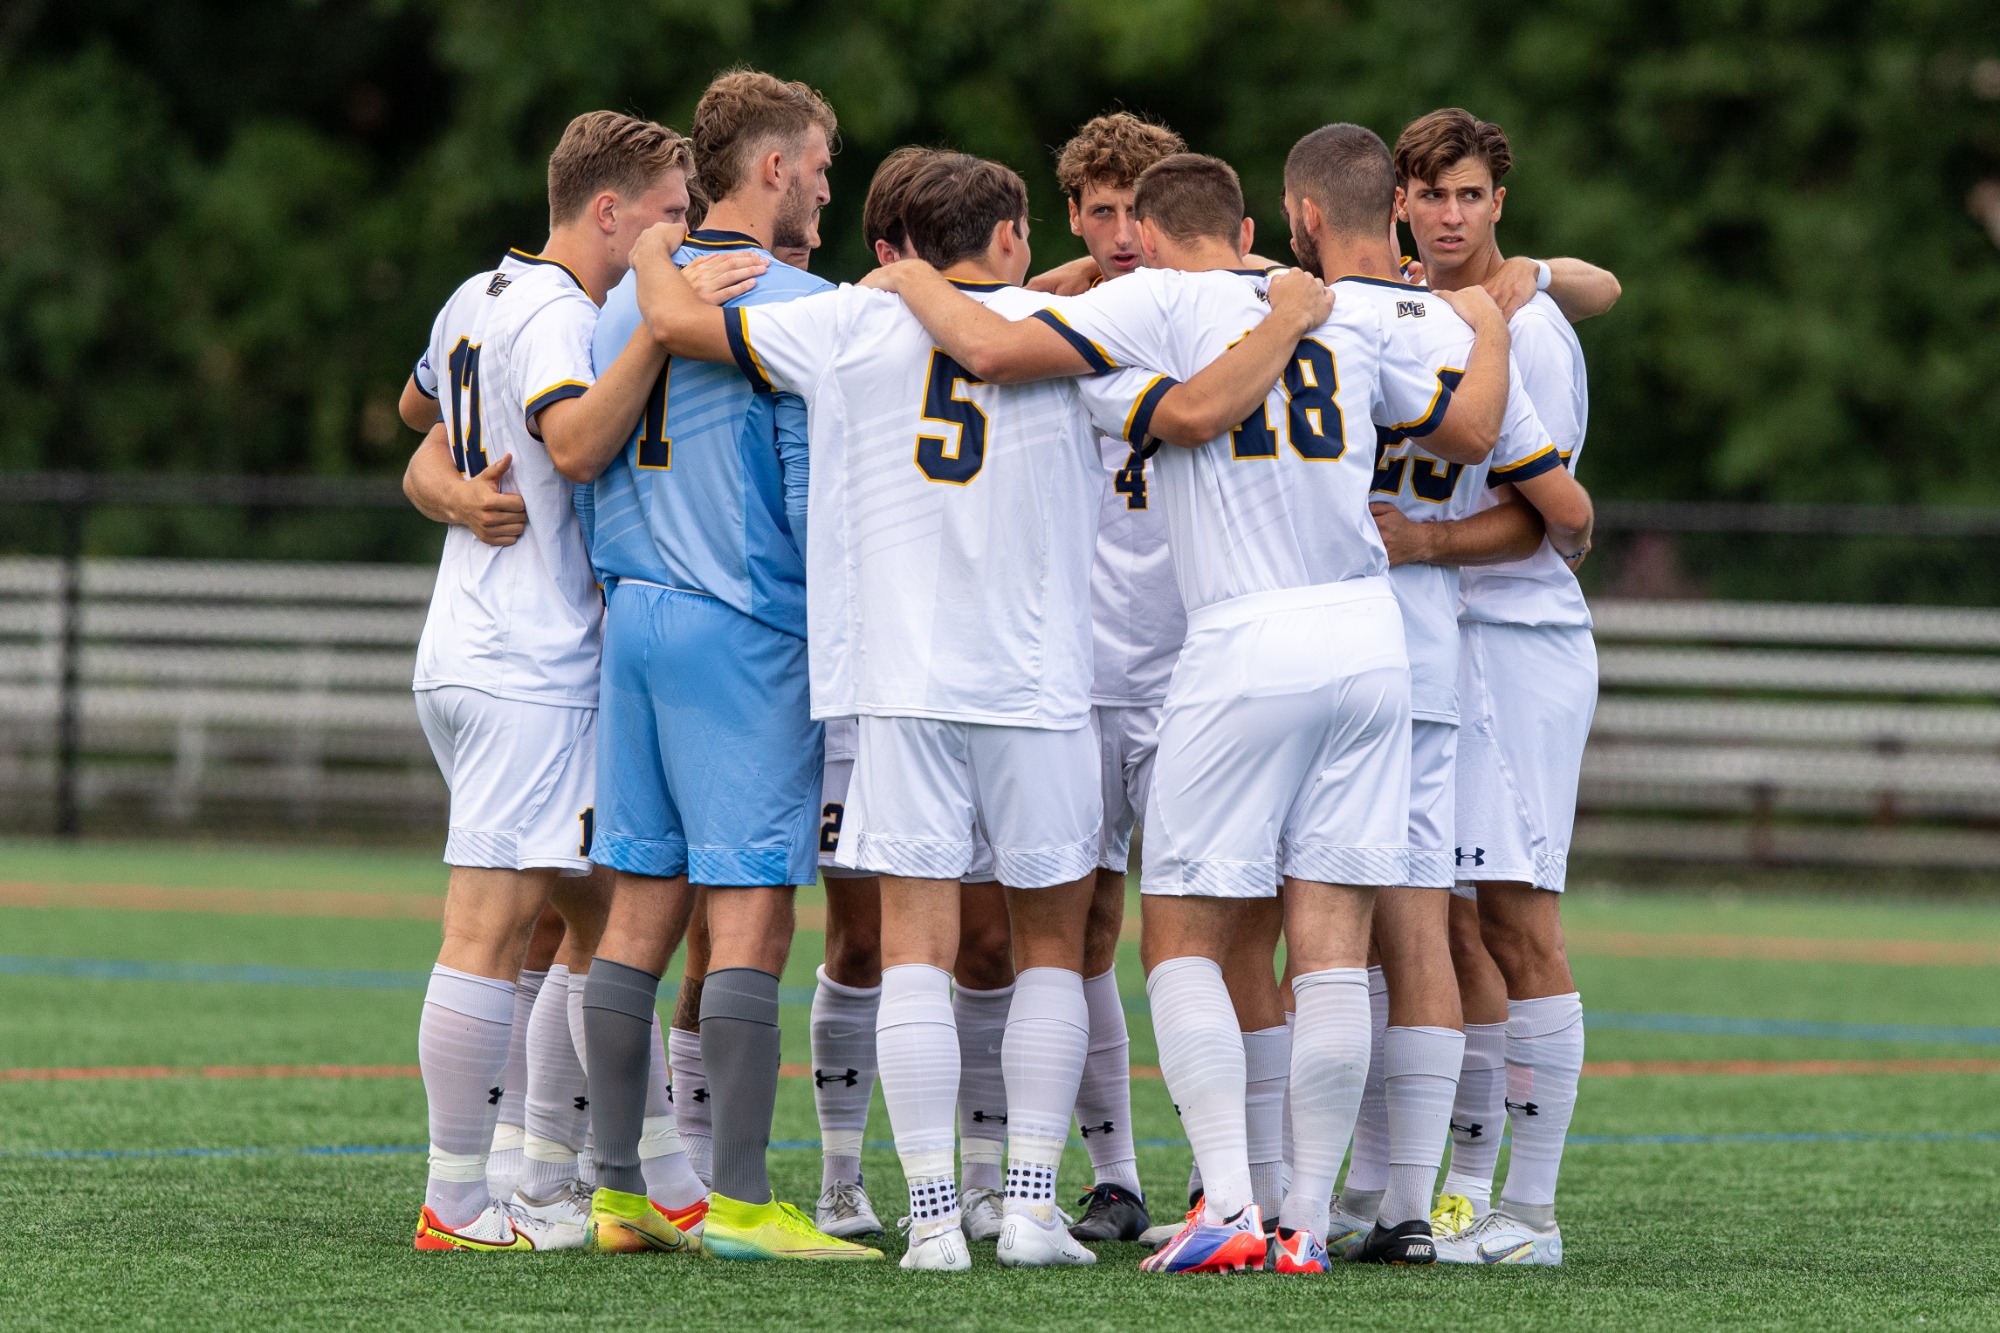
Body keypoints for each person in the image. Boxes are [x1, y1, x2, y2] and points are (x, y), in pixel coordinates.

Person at [633, 147, 1334, 1270]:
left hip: (897, 684)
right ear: (1010, 238)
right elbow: (1191, 412)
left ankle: (923, 1222)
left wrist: (655, 248)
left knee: (913, 944)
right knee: (1049, 949)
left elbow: (671, 324)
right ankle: (1026, 1207)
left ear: (894, 244)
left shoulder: (845, 326)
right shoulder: (1062, 346)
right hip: (1037, 682)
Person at [857, 144, 1509, 1274]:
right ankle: (1304, 1216)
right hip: (1367, 635)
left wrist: (906, 277)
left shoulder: (1152, 300)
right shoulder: (1334, 312)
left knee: (1180, 942)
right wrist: (1488, 326)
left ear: (1147, 237)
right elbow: (1466, 434)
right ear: (1255, 223)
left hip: (1242, 640)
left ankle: (1229, 1209)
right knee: (1329, 941)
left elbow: (993, 347)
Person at [556, 69, 880, 1263]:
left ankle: (619, 1191)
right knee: (751, 910)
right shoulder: (804, 300)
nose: (828, 188)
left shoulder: (623, 300)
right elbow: (813, 497)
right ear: (777, 168)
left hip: (630, 617)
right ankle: (741, 1201)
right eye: (820, 164)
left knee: (638, 904)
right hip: (744, 622)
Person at [393, 110, 695, 1253]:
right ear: (609, 211)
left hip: (472, 652)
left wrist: (451, 492)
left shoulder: (477, 293)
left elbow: (420, 429)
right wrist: (661, 331)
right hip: (526, 660)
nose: (681, 229)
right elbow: (571, 447)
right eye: (669, 210)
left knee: (603, 917)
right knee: (488, 929)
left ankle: (653, 1179)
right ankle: (457, 1203)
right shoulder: (572, 313)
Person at [1392, 106, 1604, 1267]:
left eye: (1470, 194)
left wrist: (1418, 548)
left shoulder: (1533, 330)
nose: (1451, 214)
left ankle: (1532, 1211)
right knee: (1453, 928)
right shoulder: (1410, 311)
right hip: (1435, 647)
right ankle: (1464, 1196)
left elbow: (1546, 520)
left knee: (1519, 922)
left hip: (1517, 645)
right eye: (1432, 194)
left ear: (1498, 204)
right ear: (1399, 205)